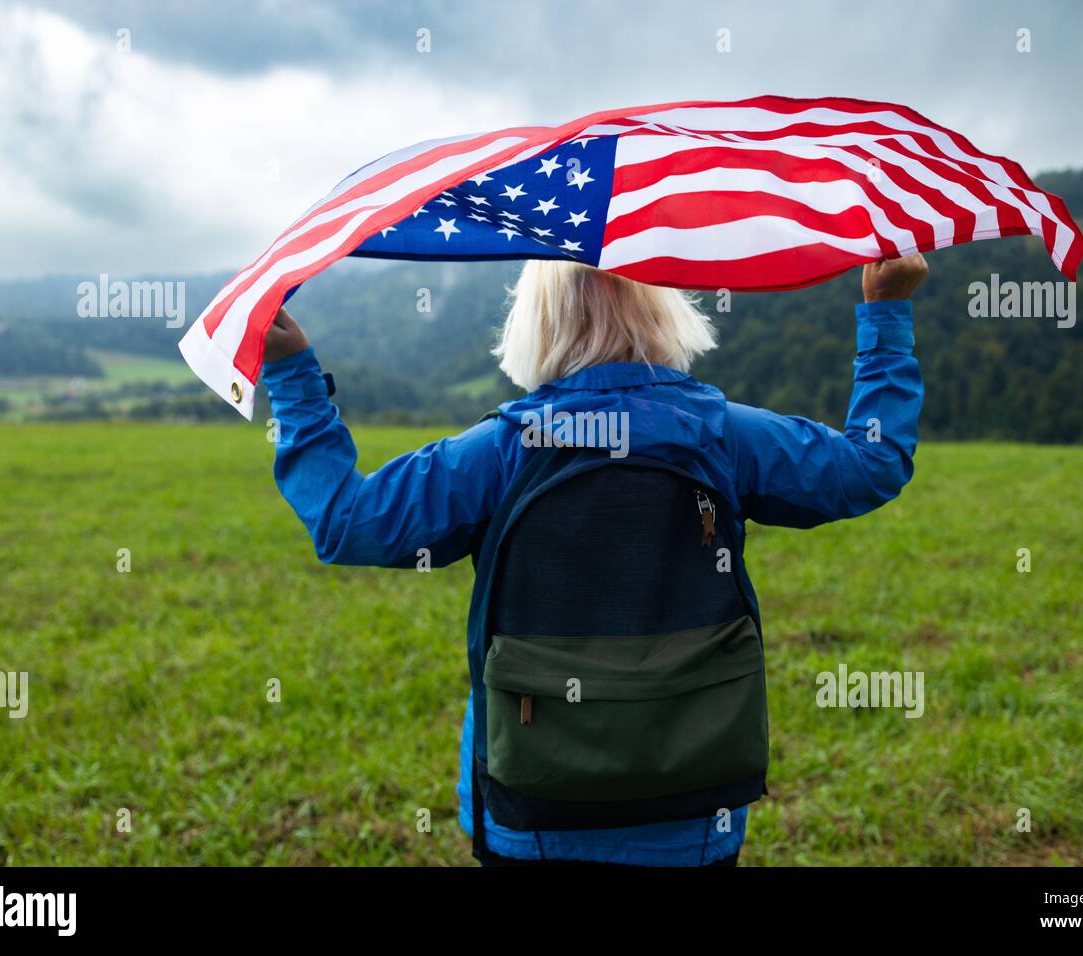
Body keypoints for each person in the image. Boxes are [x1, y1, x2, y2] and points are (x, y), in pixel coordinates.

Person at [259, 253, 927, 866]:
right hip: (693, 813)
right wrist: (885, 309)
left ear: (535, 326)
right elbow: (871, 464)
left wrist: (292, 376)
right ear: (665, 310)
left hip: (530, 815)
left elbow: (346, 520)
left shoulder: (499, 452)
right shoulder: (722, 435)